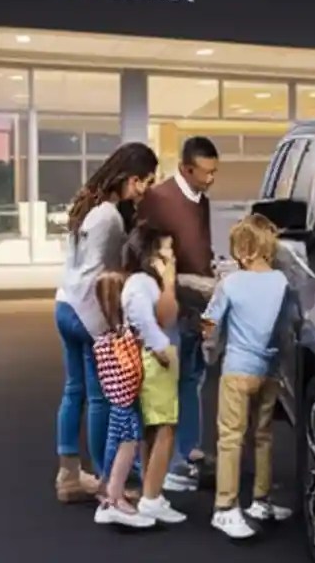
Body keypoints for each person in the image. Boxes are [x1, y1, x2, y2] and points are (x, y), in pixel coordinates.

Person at [53, 142, 158, 503]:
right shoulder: (112, 216)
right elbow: (118, 271)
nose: (145, 189)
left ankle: (68, 474)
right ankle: (104, 479)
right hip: (89, 311)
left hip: (64, 304)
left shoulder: (86, 205)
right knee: (100, 397)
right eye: (145, 181)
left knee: (73, 391)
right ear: (131, 178)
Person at [135, 136, 220, 493]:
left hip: (196, 304)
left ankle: (187, 452)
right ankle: (156, 465)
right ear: (186, 168)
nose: (211, 178)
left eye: (215, 172)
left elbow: (199, 247)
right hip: (169, 306)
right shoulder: (159, 199)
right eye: (206, 172)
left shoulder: (203, 200)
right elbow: (142, 250)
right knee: (162, 387)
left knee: (193, 380)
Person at [204, 213, 295, 539]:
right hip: (269, 373)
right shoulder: (284, 284)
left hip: (236, 371)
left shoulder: (230, 283)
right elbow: (288, 329)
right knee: (263, 436)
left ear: (244, 250)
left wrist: (207, 350)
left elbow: (210, 324)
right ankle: (261, 500)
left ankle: (225, 508)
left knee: (230, 439)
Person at [122, 223, 188, 525]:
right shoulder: (142, 284)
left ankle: (152, 491)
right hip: (156, 360)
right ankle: (151, 497)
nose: (172, 254)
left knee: (154, 427)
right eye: (167, 249)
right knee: (165, 429)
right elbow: (158, 318)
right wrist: (162, 348)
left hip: (154, 357)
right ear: (151, 256)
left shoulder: (141, 282)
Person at [91, 271, 154, 529]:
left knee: (117, 441)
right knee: (127, 445)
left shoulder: (103, 339)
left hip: (117, 401)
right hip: (128, 402)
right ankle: (114, 499)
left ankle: (109, 494)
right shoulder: (128, 336)